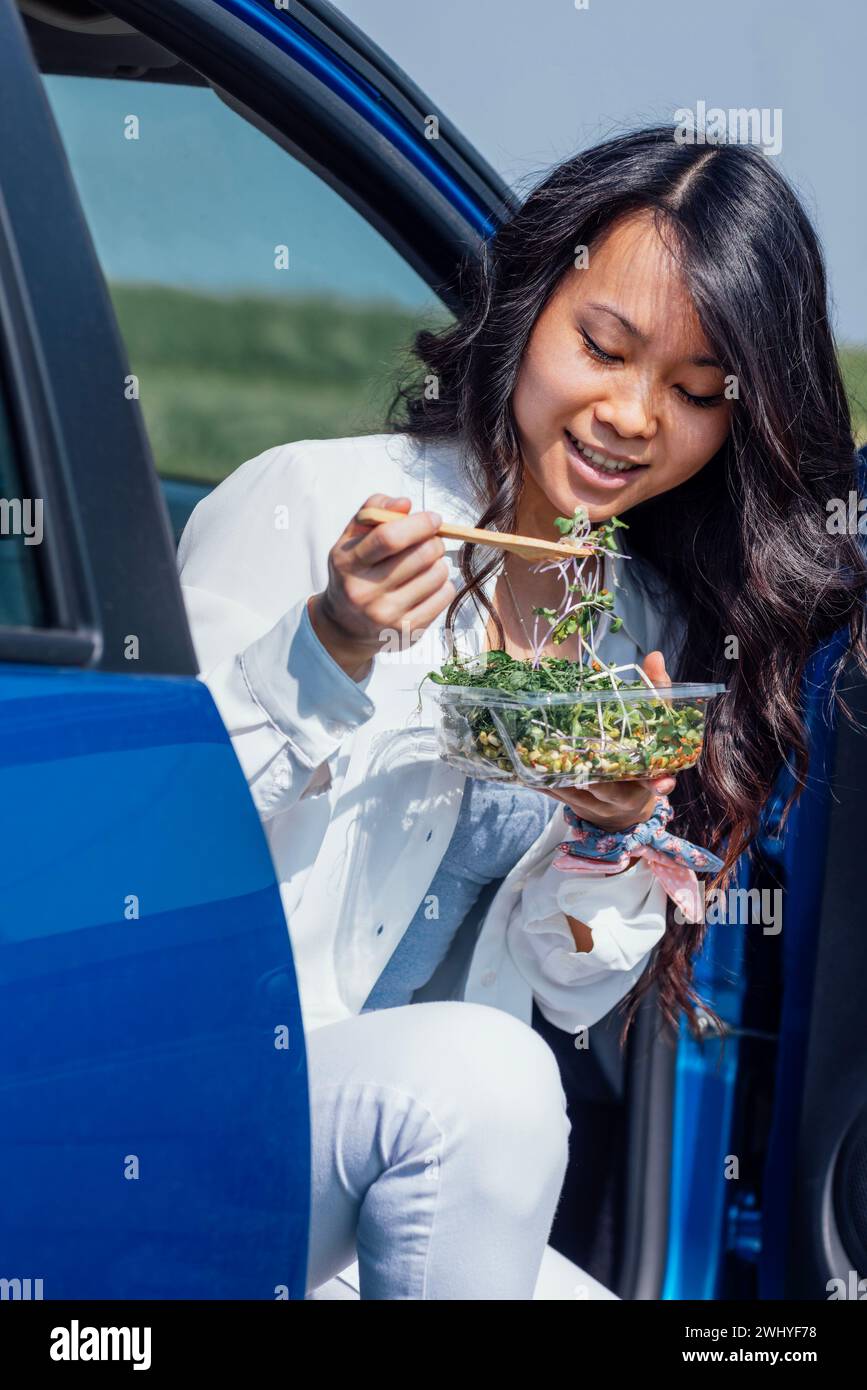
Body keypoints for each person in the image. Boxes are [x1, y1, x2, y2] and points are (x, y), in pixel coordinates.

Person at [177, 126, 867, 1299]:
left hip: (417, 1174)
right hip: (205, 1123)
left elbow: (573, 987)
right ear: (533, 297)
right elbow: (155, 855)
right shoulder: (312, 503)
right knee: (488, 1076)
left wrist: (609, 836)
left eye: (697, 394)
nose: (634, 416)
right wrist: (329, 647)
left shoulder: (634, 619)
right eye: (604, 347)